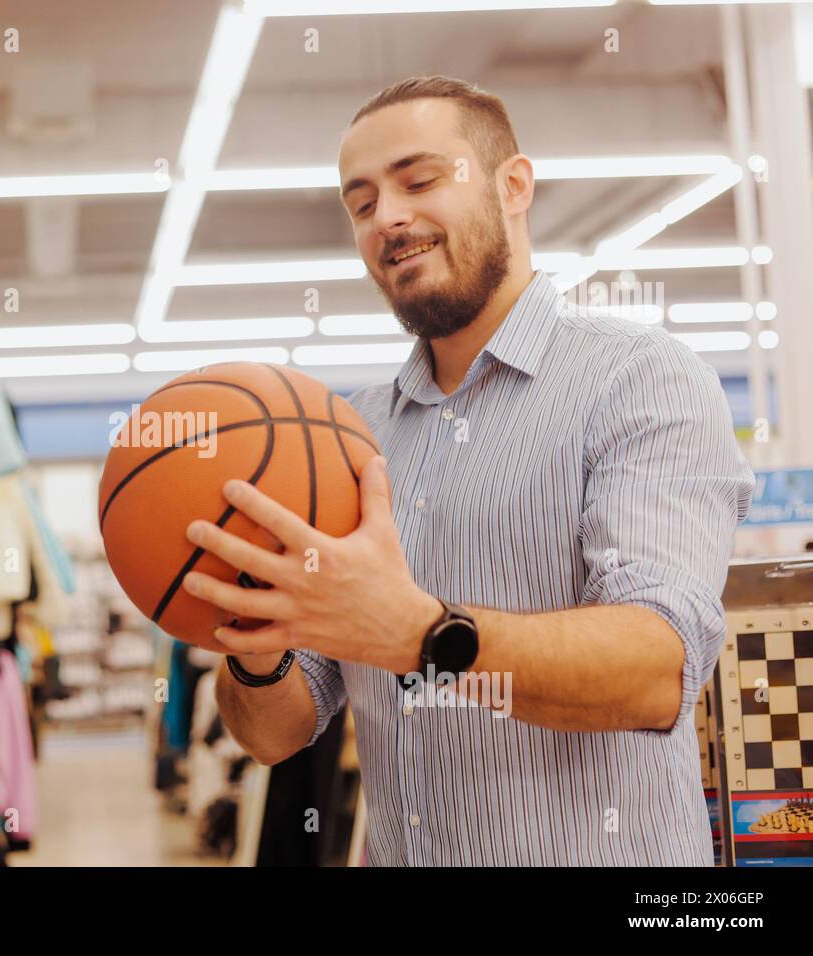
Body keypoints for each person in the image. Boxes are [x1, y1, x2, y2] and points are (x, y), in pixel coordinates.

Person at [188, 75, 754, 866]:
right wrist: (257, 650)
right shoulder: (346, 437)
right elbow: (277, 732)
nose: (388, 216)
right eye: (361, 202)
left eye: (419, 180)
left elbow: (655, 671)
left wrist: (421, 635)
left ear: (512, 185)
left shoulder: (640, 379)